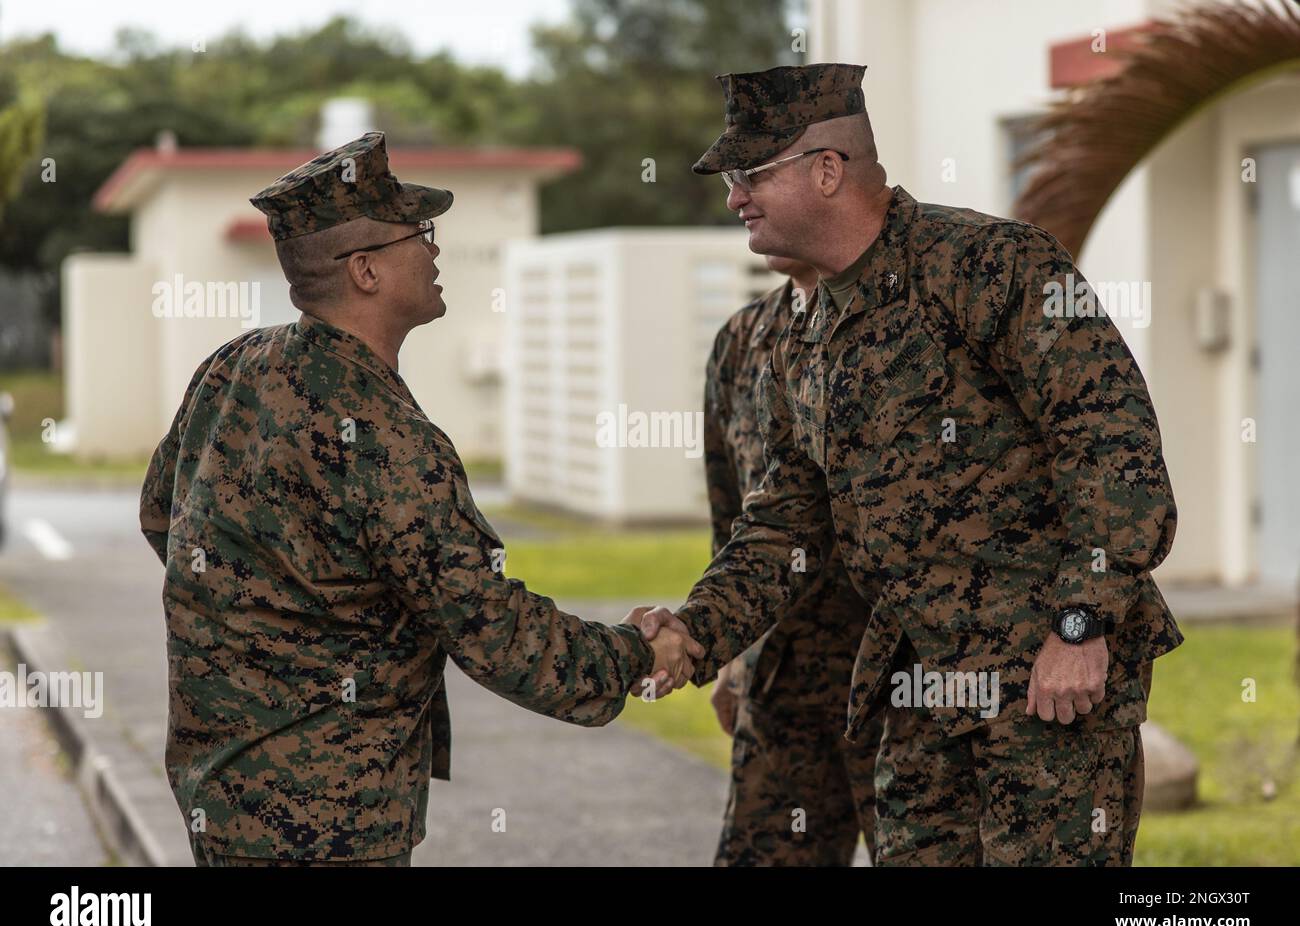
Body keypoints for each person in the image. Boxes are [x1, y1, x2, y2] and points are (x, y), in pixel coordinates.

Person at [641, 63, 1183, 866]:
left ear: (829, 170)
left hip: (1044, 684)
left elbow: (1114, 447)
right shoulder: (803, 330)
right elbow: (788, 516)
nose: (735, 198)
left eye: (751, 174)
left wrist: (1082, 623)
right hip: (919, 690)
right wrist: (696, 631)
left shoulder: (991, 265)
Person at [139, 131, 701, 867]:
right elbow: (492, 630)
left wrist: (274, 620)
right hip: (328, 821)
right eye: (419, 234)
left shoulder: (235, 367)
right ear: (366, 270)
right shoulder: (390, 439)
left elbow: (161, 514)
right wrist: (635, 653)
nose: (435, 251)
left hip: (225, 792)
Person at [704, 253, 880, 866]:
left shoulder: (903, 316)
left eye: (757, 178)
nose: (739, 200)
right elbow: (734, 513)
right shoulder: (743, 339)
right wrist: (728, 654)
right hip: (785, 677)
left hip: (903, 678)